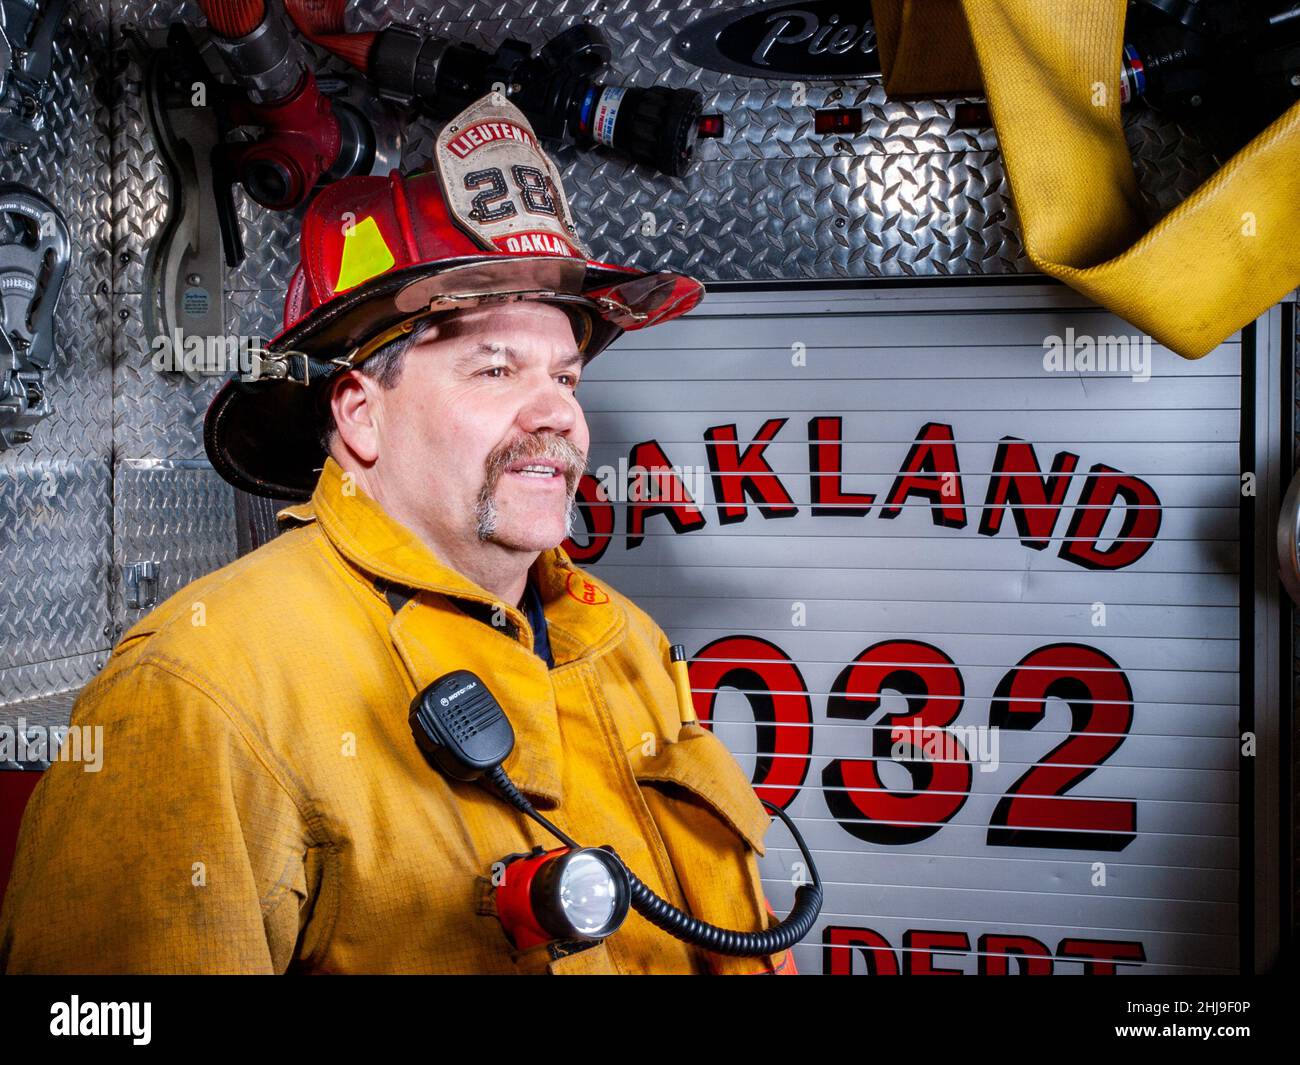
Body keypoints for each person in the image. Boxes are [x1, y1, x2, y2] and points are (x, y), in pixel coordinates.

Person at [0, 93, 796, 974]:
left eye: (564, 375)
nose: (559, 416)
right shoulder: (198, 694)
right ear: (361, 414)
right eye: (494, 368)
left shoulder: (624, 644)